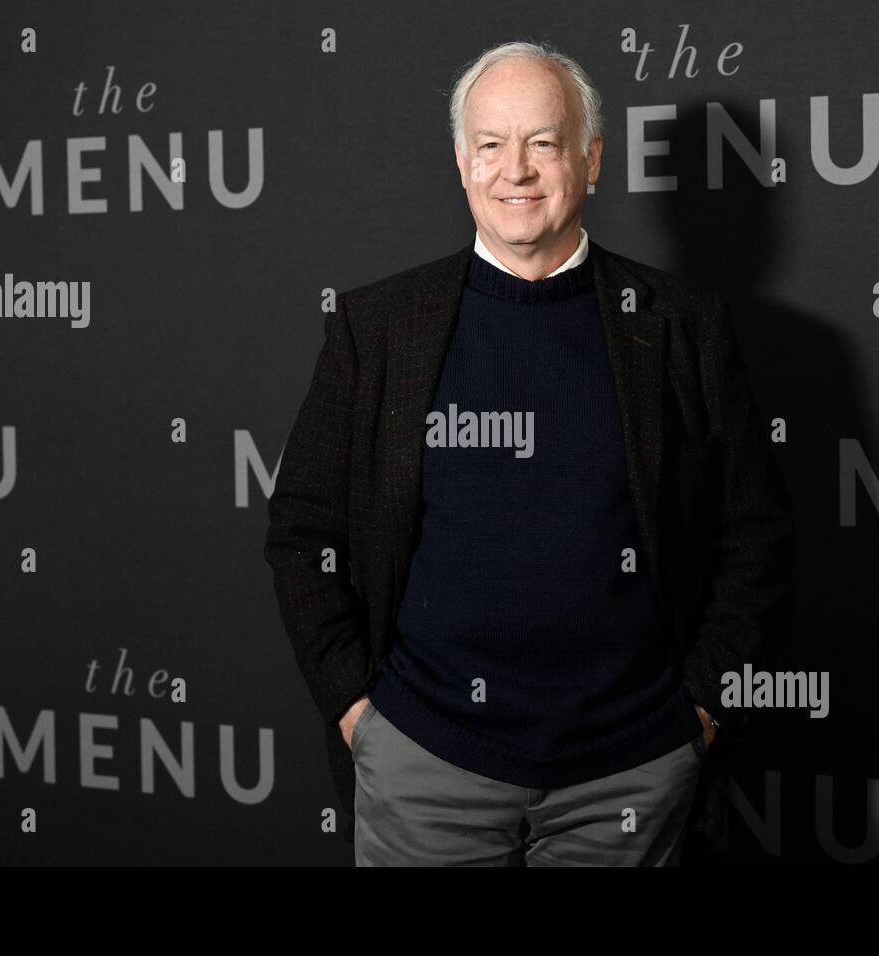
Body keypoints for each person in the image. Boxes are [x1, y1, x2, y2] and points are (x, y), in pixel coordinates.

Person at [264, 39, 794, 866]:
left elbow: (753, 534)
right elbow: (303, 529)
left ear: (591, 160)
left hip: (630, 774)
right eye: (491, 144)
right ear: (461, 161)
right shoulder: (377, 329)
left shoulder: (683, 325)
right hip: (424, 766)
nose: (517, 169)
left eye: (544, 143)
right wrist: (357, 712)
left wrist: (700, 712)